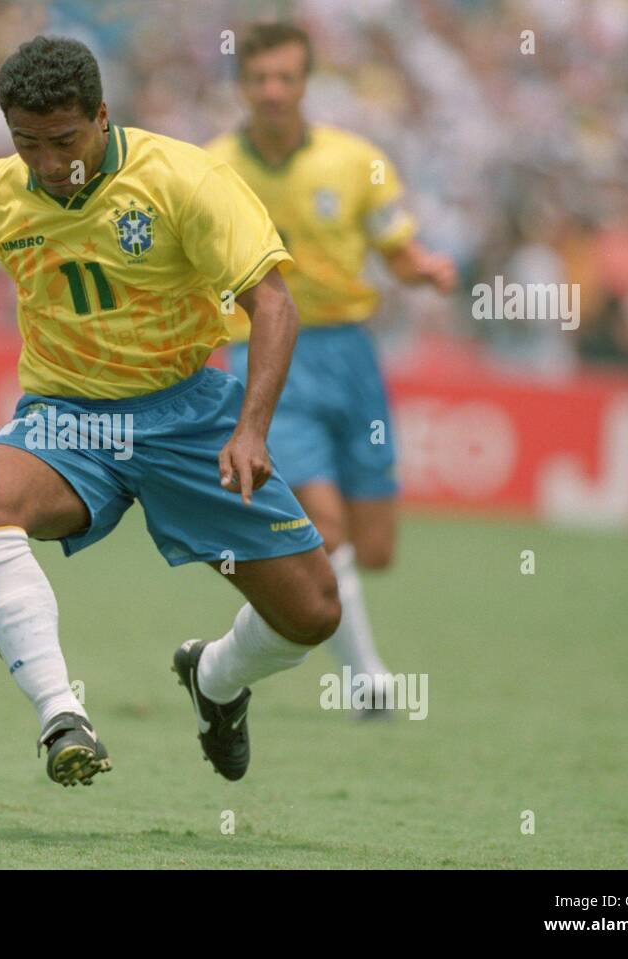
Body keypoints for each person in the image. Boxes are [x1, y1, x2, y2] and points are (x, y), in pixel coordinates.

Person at [0, 36, 341, 787]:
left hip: (188, 415)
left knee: (313, 612)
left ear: (102, 116)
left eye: (64, 140)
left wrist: (251, 428)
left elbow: (273, 304)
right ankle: (61, 714)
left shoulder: (185, 180)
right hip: (69, 418)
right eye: (26, 143)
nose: (48, 161)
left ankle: (216, 677)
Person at [206, 23, 457, 713]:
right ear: (242, 86)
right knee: (326, 526)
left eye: (287, 77)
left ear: (305, 82)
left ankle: (225, 656)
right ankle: (365, 679)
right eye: (260, 79)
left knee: (374, 547)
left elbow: (396, 247)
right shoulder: (212, 167)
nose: (273, 91)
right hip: (267, 355)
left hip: (350, 354)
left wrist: (425, 268)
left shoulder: (357, 162)